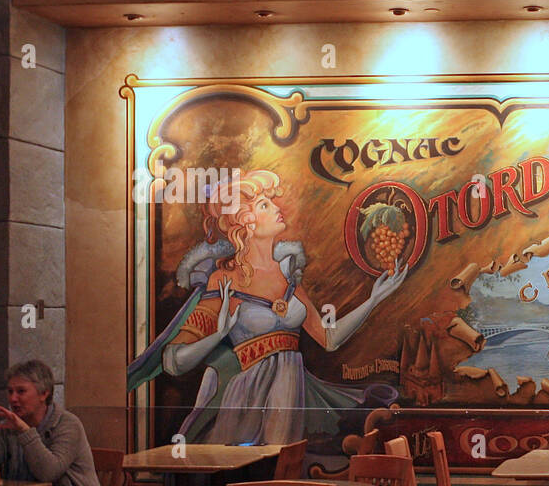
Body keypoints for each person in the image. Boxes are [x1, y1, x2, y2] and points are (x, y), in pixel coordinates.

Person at [127, 169, 407, 444]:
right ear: (245, 222)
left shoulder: (288, 275)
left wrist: (374, 299)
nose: (277, 207)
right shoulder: (225, 280)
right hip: (245, 402)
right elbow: (173, 361)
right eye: (265, 204)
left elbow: (329, 339)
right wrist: (216, 334)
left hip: (289, 396)